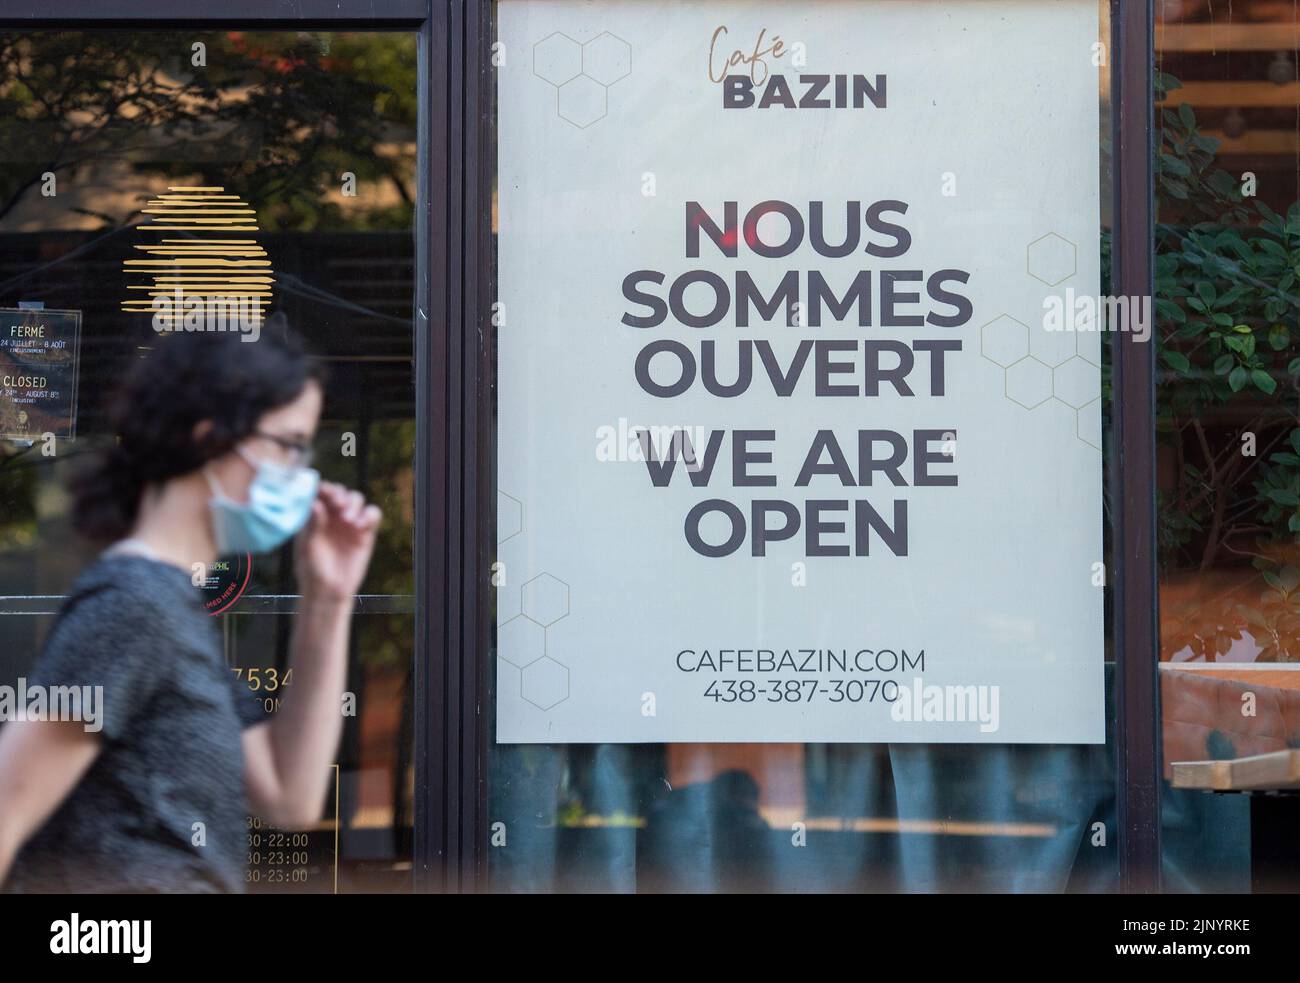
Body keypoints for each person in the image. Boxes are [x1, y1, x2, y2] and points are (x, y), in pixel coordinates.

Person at [0, 327, 381, 892]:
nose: (303, 472)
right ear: (210, 439)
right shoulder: (133, 607)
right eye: (290, 445)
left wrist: (327, 597)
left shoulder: (173, 609)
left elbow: (289, 796)